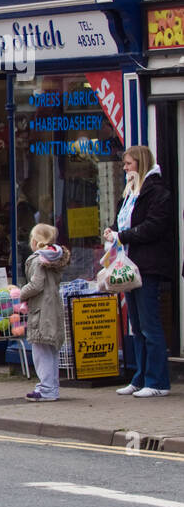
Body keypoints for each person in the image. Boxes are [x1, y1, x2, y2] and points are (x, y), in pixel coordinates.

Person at [104, 145, 172, 398]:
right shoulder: (130, 193)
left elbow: (153, 226)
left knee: (150, 325)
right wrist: (111, 232)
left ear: (140, 165)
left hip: (147, 266)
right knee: (137, 325)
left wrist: (122, 235)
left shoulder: (157, 192)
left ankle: (158, 382)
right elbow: (121, 221)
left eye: (128, 164)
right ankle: (140, 377)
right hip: (128, 265)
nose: (124, 169)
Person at [18, 223, 69, 402]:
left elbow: (36, 284)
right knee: (51, 349)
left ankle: (46, 389)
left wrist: (19, 294)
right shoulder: (56, 257)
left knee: (40, 351)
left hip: (41, 309)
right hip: (53, 306)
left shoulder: (36, 259)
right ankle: (52, 387)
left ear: (35, 241)